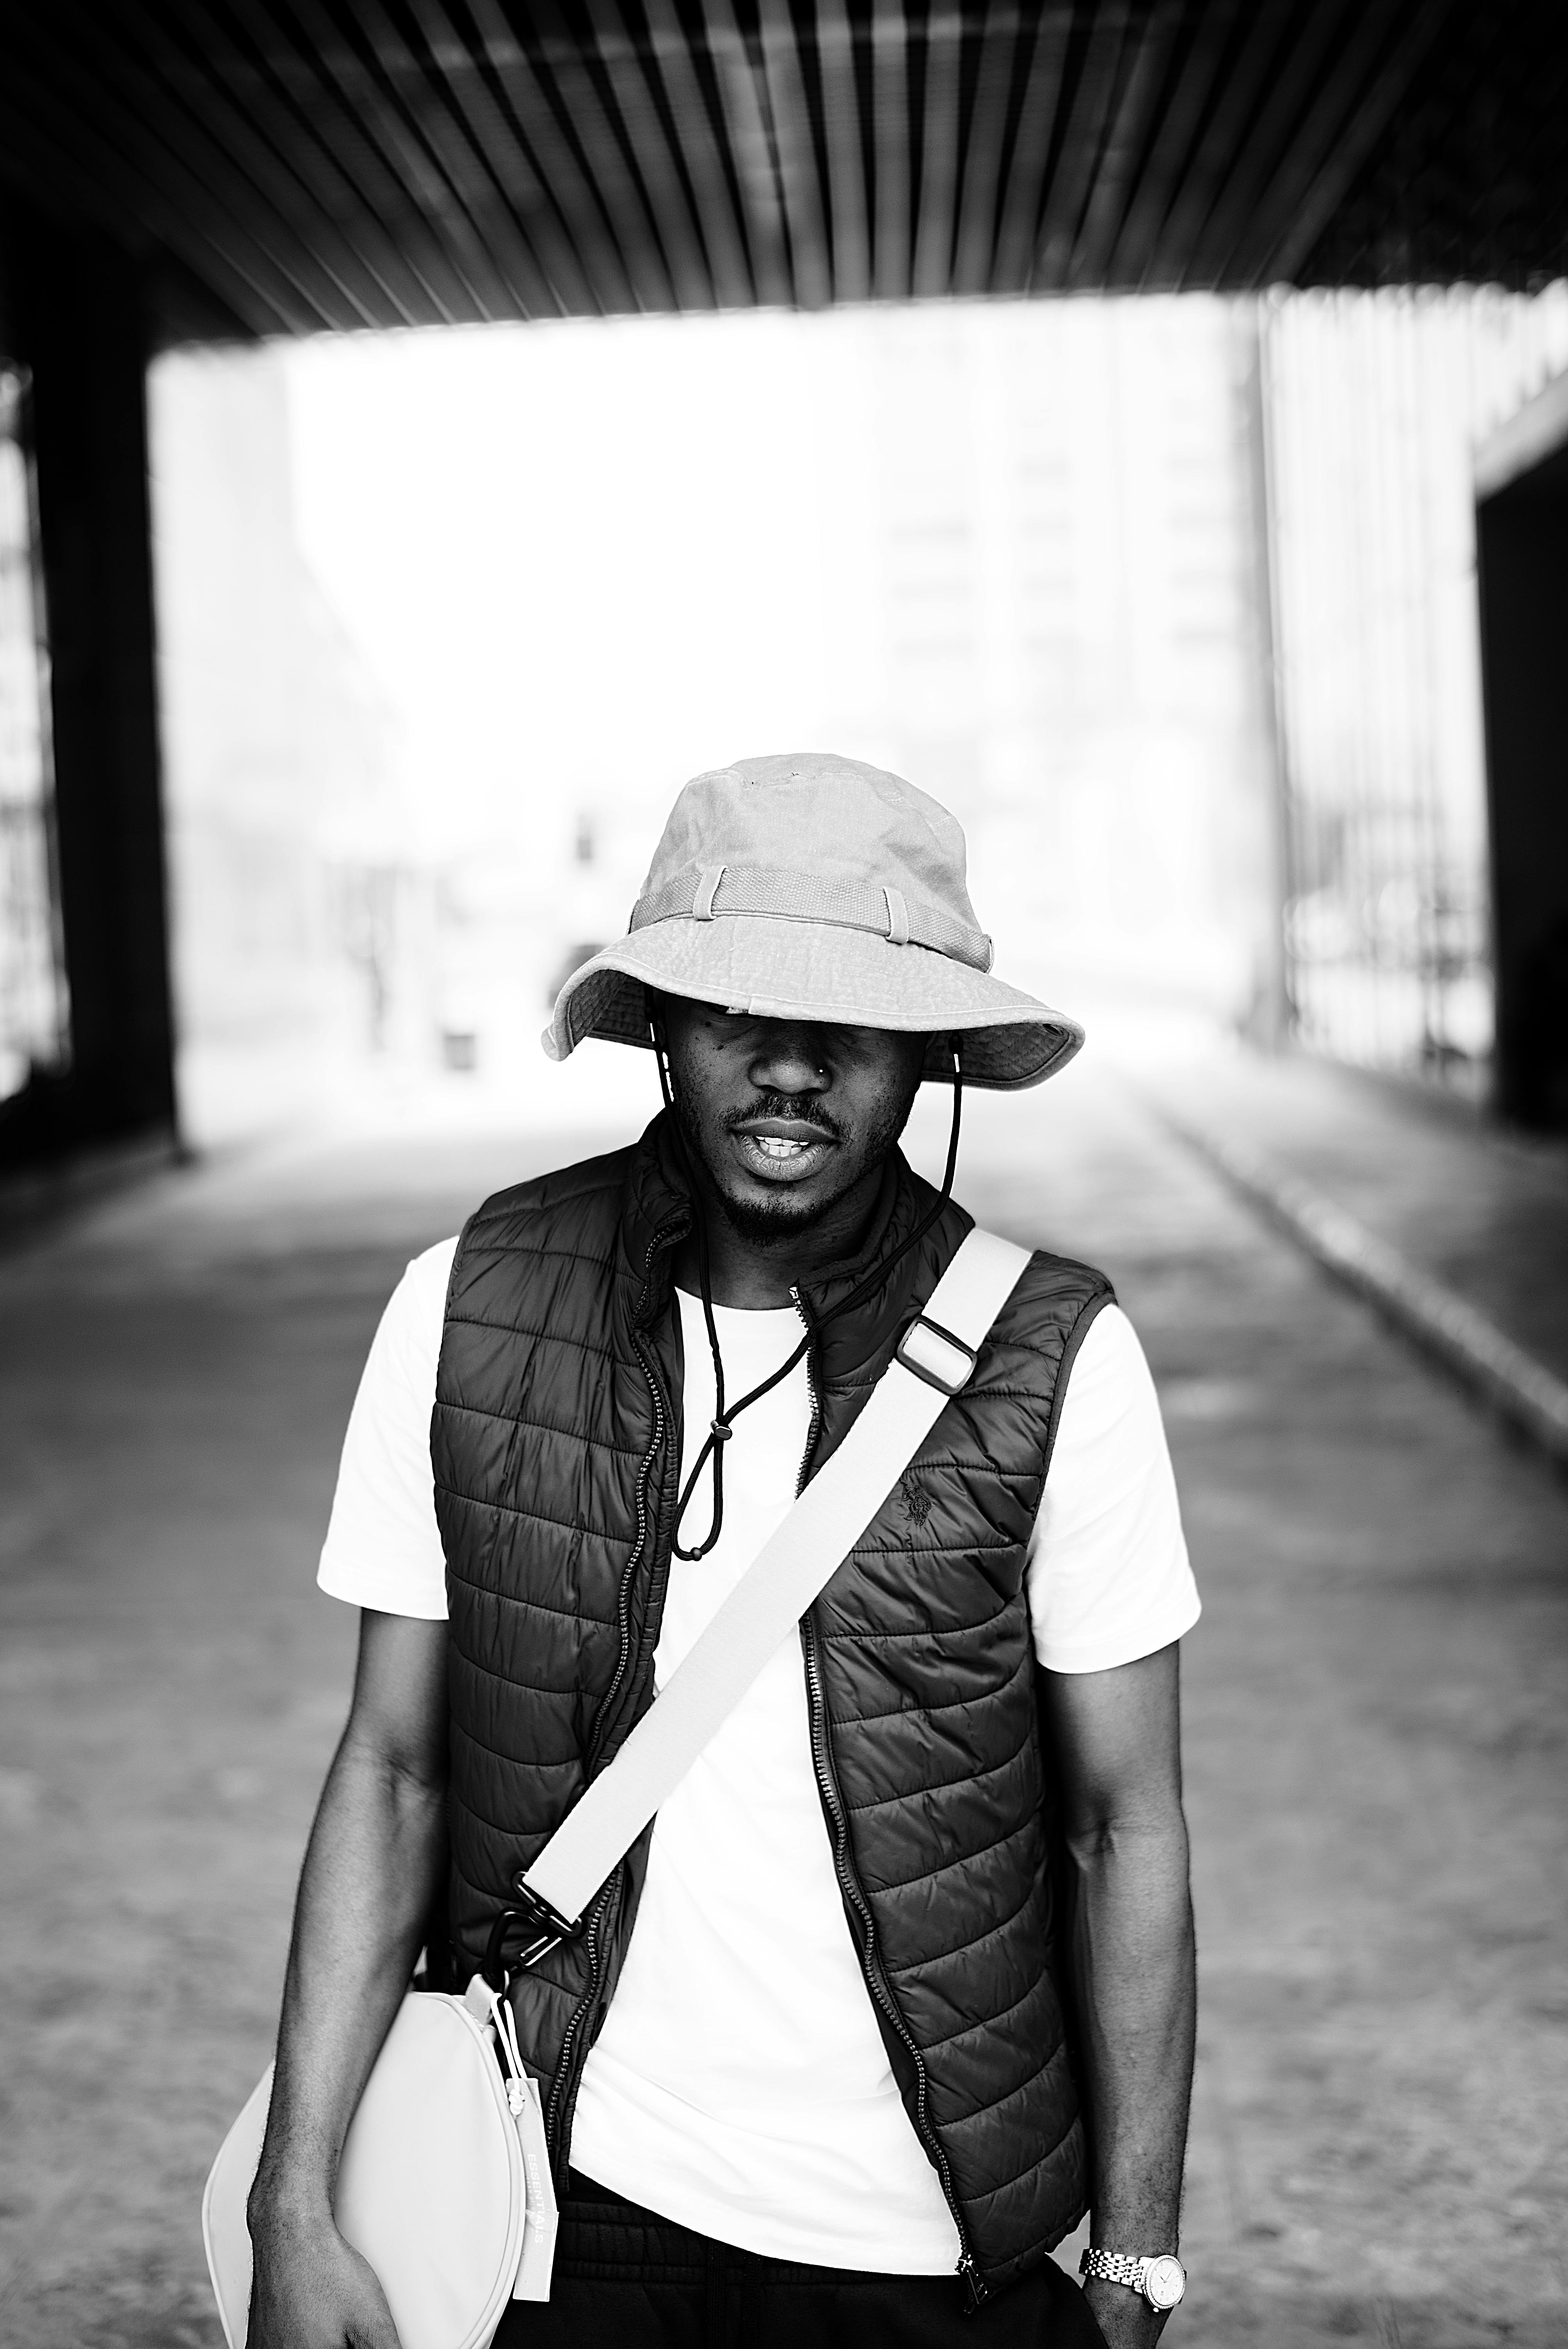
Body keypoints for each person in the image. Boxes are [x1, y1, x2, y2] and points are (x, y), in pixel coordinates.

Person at [246, 755, 1199, 2349]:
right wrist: (293, 2201)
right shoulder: (465, 1305)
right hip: (556, 2217)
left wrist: (1134, 2256)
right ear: (665, 1032)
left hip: (930, 2249)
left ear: (926, 1058)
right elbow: (392, 1768)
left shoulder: (1053, 1356)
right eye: (738, 1011)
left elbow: (1125, 1823)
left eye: (854, 1023)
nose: (790, 1070)